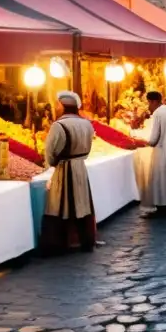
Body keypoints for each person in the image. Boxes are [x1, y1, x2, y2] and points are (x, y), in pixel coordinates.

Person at [40, 91, 96, 254]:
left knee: (60, 205)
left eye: (57, 105)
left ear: (64, 106)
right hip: (80, 167)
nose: (55, 108)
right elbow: (88, 149)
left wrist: (53, 163)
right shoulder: (86, 124)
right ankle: (85, 241)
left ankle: (59, 245)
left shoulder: (59, 125)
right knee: (82, 204)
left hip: (65, 169)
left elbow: (50, 151)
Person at [139, 92, 166, 219]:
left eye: (148, 103)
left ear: (153, 101)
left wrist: (143, 141)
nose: (148, 106)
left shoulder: (158, 113)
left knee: (160, 180)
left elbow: (154, 138)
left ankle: (162, 207)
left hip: (160, 151)